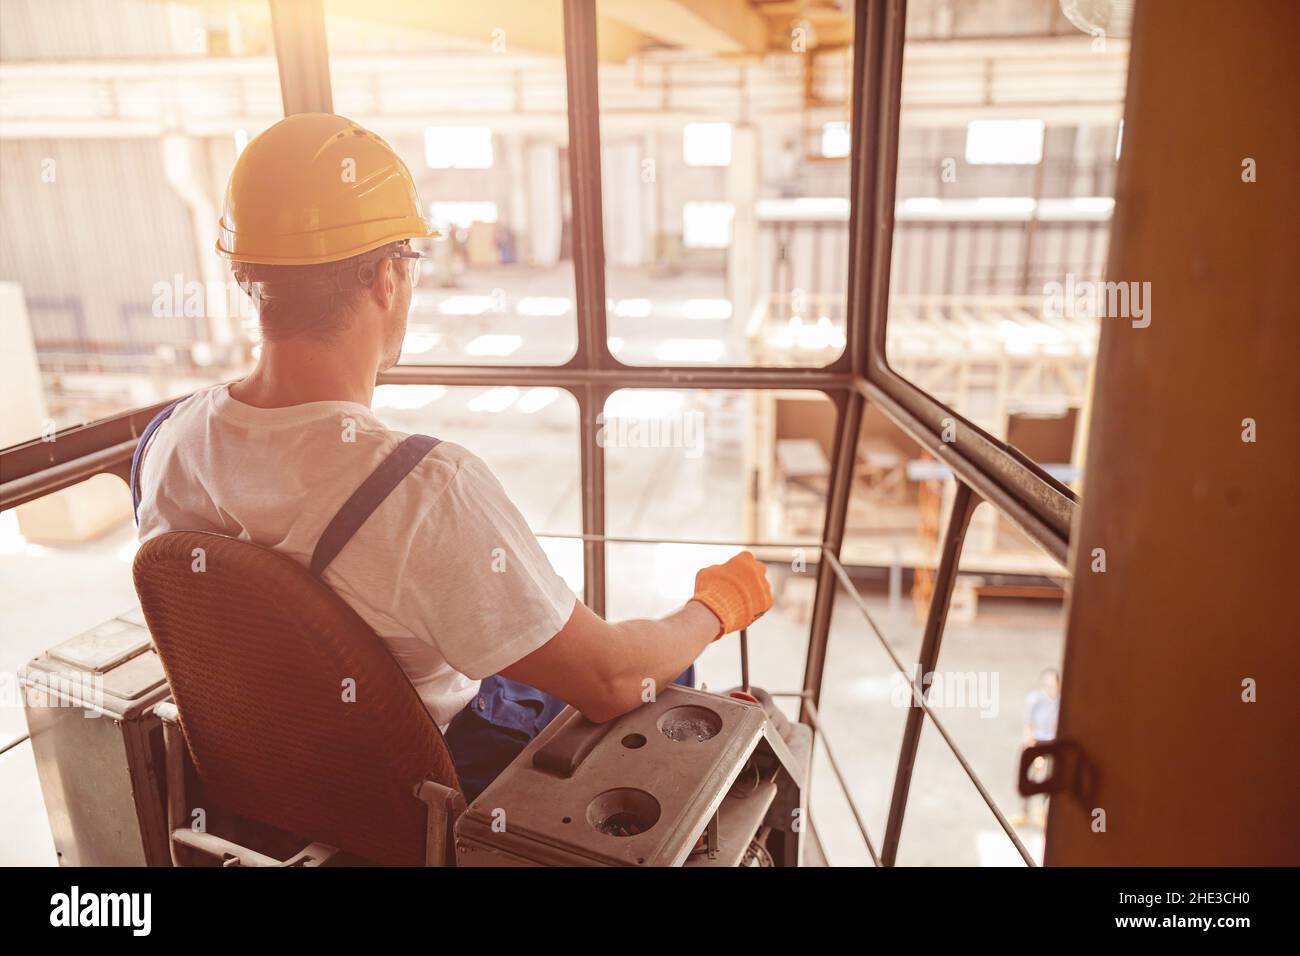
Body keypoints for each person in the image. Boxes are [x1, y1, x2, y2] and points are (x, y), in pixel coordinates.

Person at [132, 114, 772, 802]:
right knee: (673, 678)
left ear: (245, 278)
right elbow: (613, 681)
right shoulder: (420, 491)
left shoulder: (168, 440)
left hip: (285, 775)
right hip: (432, 784)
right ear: (386, 278)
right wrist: (715, 605)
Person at [1012, 667, 1061, 828]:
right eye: (1045, 685)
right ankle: (1023, 813)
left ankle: (1043, 813)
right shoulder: (1035, 700)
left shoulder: (1061, 702)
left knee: (1050, 778)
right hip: (1036, 741)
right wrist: (1031, 745)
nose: (1048, 688)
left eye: (1051, 685)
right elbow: (1028, 724)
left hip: (1052, 743)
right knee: (1028, 776)